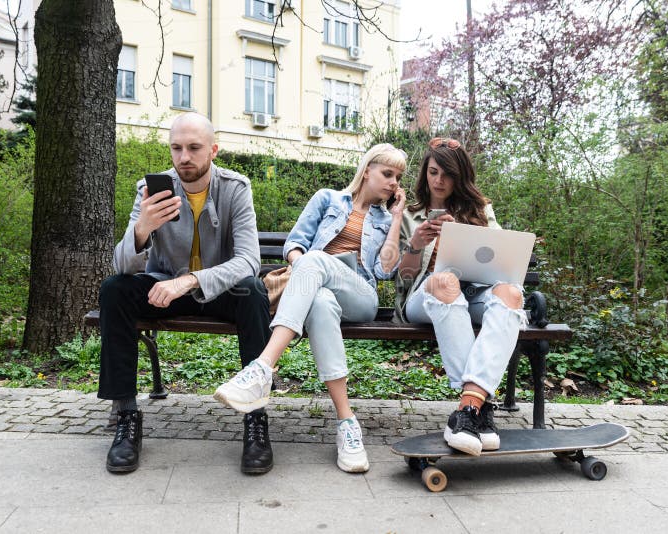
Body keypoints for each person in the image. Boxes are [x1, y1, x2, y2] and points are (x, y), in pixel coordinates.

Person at [213, 143, 408, 473]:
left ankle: (262, 367)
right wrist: (305, 269)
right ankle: (347, 423)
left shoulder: (385, 219)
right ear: (367, 171)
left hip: (360, 296)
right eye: (387, 173)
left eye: (398, 177)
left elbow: (385, 271)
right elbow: (294, 245)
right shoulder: (327, 199)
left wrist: (397, 217)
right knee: (319, 300)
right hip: (317, 291)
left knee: (316, 260)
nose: (393, 182)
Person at [98, 112, 272, 475]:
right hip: (166, 289)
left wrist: (192, 280)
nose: (184, 157)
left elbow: (248, 261)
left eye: (194, 148)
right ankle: (126, 414)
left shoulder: (235, 188)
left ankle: (255, 417)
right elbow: (122, 265)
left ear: (213, 150)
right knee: (115, 290)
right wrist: (142, 230)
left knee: (253, 290)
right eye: (176, 148)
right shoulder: (150, 191)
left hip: (219, 290)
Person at [395, 137, 528, 456]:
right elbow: (403, 278)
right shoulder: (411, 215)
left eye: (448, 175)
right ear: (425, 173)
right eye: (433, 172)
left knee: (511, 295)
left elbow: (503, 262)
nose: (439, 181)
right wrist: (415, 244)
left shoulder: (480, 210)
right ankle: (479, 407)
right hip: (426, 296)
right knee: (445, 281)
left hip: (474, 294)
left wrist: (465, 233)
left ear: (461, 176)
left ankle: (470, 408)